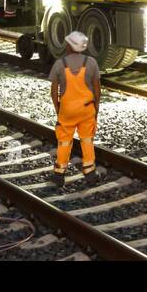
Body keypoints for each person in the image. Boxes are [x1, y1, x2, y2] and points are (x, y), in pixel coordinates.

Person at [50, 31, 101, 188]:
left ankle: (59, 173)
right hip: (87, 109)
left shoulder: (60, 64)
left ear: (69, 46)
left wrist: (58, 109)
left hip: (67, 110)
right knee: (87, 139)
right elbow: (97, 89)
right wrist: (96, 108)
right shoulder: (91, 62)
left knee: (64, 141)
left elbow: (53, 91)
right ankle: (90, 172)